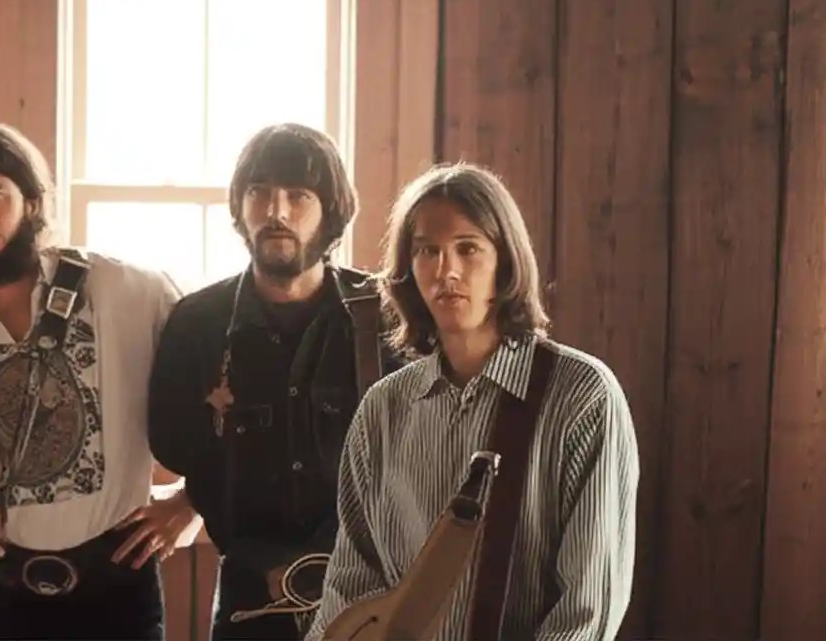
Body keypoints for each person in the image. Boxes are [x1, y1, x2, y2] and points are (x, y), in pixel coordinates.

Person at [305, 162, 639, 641]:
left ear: (504, 260)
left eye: (468, 248)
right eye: (427, 251)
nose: (446, 271)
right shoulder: (384, 409)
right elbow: (351, 583)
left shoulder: (581, 395)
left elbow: (586, 610)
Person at [0, 117, 197, 640]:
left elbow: (219, 383)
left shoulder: (129, 292)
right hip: (4, 592)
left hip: (119, 591)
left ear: (30, 200)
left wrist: (196, 500)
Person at [147, 123, 400, 640]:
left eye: (298, 196)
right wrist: (262, 561)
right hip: (248, 600)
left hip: (369, 596)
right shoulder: (197, 325)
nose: (276, 211)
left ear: (331, 210)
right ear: (239, 208)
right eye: (259, 193)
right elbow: (188, 459)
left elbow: (412, 458)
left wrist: (332, 561)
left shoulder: (384, 319)